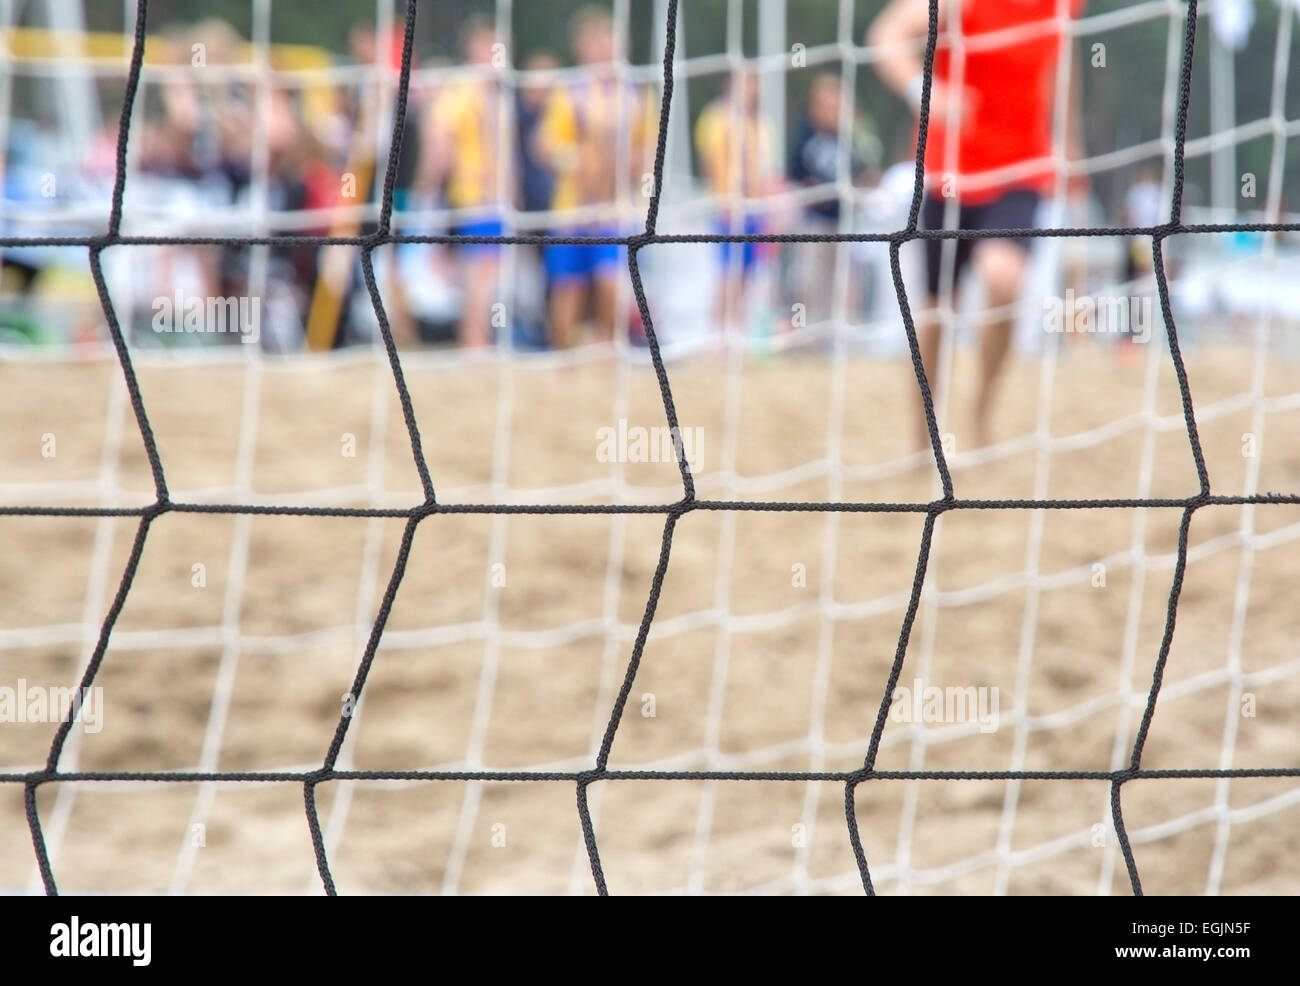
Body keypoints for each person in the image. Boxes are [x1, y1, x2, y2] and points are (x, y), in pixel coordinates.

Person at [868, 0, 1085, 451]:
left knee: (1004, 277)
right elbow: (885, 35)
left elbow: (1061, 66)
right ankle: (921, 432)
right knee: (936, 309)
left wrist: (1072, 147)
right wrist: (926, 92)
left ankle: (982, 406)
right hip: (948, 170)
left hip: (1020, 170)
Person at [536, 5, 656, 348]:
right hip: (572, 208)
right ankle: (564, 353)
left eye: (609, 41)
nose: (604, 49)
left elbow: (649, 150)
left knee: (612, 280)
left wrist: (642, 171)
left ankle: (607, 345)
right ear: (583, 48)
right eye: (596, 42)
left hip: (616, 208)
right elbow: (545, 145)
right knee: (568, 287)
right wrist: (572, 159)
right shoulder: (569, 90)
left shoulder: (636, 93)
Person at [416, 16, 509, 348]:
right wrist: (429, 191)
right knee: (479, 271)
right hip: (473, 196)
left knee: (487, 271)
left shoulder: (495, 92)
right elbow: (441, 140)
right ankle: (473, 339)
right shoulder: (464, 91)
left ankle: (477, 337)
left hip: (494, 197)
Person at [694, 67, 774, 335]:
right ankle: (717, 330)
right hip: (728, 207)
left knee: (747, 272)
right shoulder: (717, 117)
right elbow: (709, 162)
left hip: (753, 208)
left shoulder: (758, 122)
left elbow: (762, 169)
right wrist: (724, 200)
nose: (753, 90)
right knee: (728, 270)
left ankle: (736, 327)